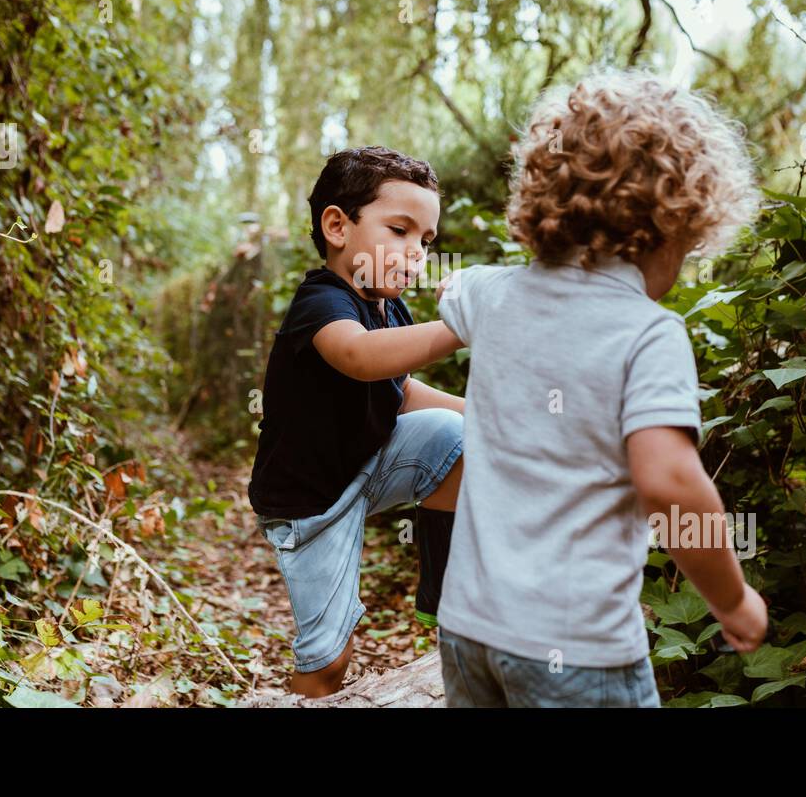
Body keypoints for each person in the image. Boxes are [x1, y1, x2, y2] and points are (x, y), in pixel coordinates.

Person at [434, 68, 768, 707]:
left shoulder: (492, 294)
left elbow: (456, 289)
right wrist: (734, 601)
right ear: (673, 222)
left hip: (468, 628)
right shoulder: (648, 334)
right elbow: (669, 482)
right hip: (576, 648)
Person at [248, 146, 465, 698]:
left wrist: (490, 414)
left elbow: (400, 389)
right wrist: (462, 327)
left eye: (426, 241)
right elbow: (361, 357)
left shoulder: (391, 309)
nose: (415, 253)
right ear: (338, 226)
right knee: (328, 658)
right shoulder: (321, 301)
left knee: (460, 438)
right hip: (310, 501)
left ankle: (451, 612)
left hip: (368, 463)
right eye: (399, 230)